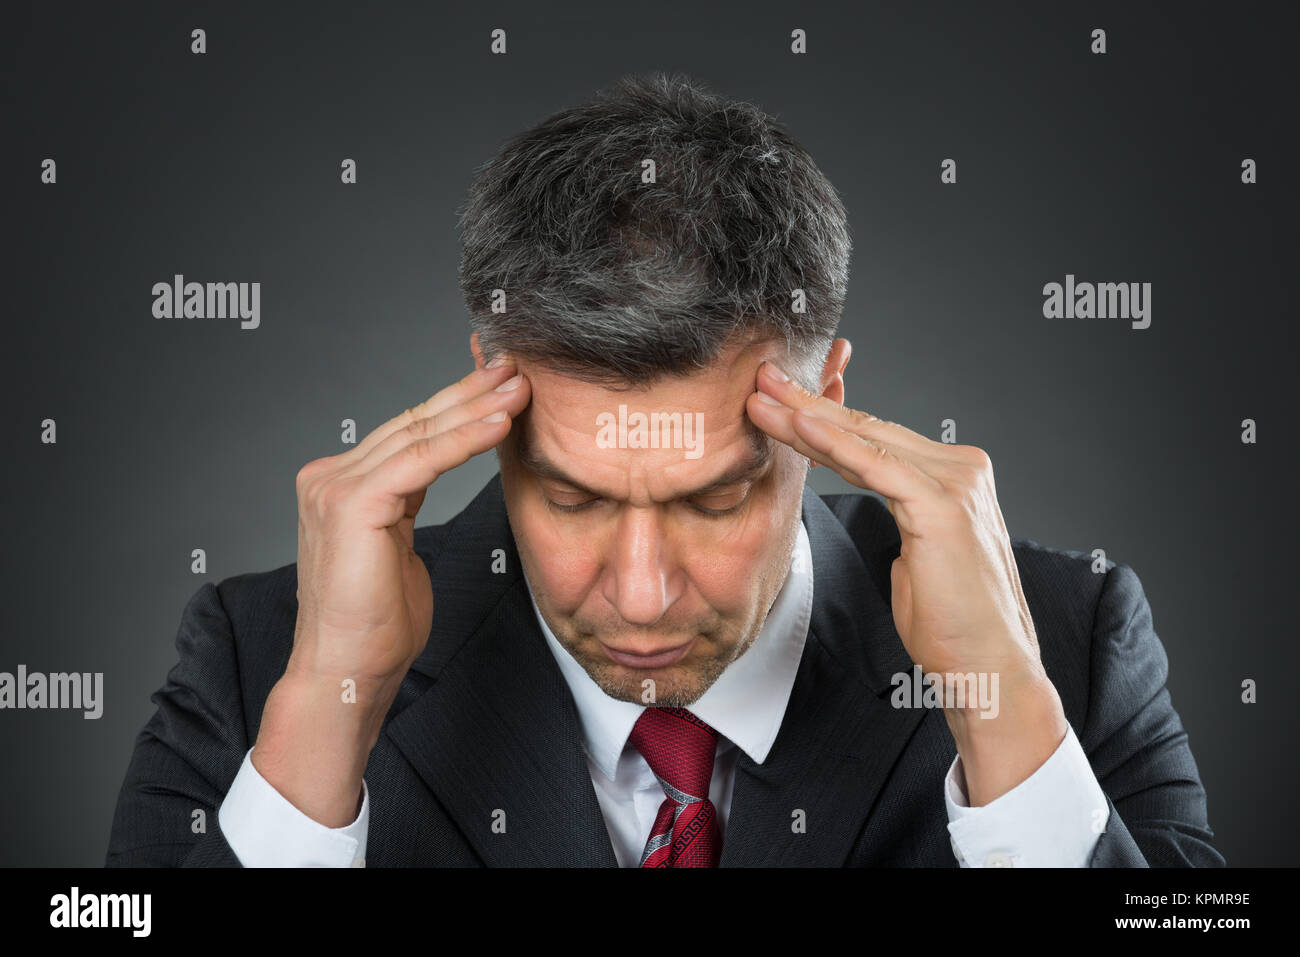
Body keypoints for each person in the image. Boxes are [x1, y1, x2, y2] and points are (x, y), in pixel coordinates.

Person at [106, 72, 1222, 867]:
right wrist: (326, 717)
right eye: (572, 494)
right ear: (487, 401)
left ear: (824, 405)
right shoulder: (262, 666)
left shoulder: (1067, 647)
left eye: (716, 495)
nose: (639, 596)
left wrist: (1002, 714)